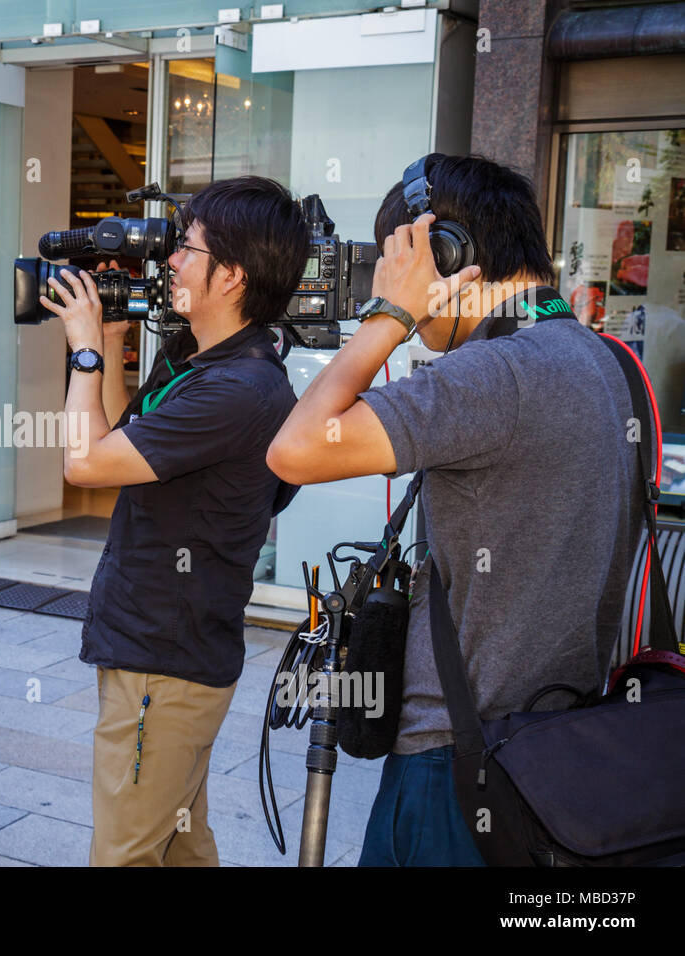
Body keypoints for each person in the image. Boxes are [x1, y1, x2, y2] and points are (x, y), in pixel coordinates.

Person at [267, 153, 640, 865]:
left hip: (454, 765)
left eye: (397, 260)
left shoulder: (492, 373)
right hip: (554, 751)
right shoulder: (605, 360)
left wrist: (391, 316)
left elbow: (296, 449)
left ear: (445, 253)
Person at [41, 176, 306, 866]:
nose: (169, 262)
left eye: (185, 248)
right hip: (171, 651)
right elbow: (123, 440)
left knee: (125, 853)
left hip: (163, 661)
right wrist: (114, 344)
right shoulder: (202, 358)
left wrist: (84, 350)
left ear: (233, 276)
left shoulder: (239, 390)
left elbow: (85, 465)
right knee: (183, 846)